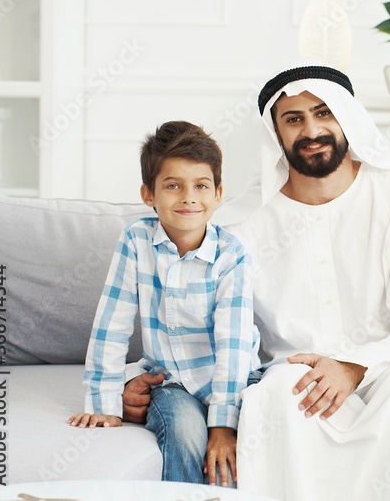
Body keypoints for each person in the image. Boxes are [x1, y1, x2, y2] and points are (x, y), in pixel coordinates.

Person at [218, 63, 390, 500]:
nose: (312, 129)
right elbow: (204, 323)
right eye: (294, 119)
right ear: (275, 134)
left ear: (347, 118)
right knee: (274, 395)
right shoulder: (243, 225)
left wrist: (356, 366)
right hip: (299, 378)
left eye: (324, 113)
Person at [69, 120, 260, 487]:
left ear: (218, 194)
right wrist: (104, 405)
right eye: (173, 186)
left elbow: (233, 345)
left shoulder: (231, 255)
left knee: (254, 438)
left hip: (236, 378)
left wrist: (223, 425)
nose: (188, 197)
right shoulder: (136, 240)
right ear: (149, 194)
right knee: (185, 431)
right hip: (171, 382)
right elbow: (113, 322)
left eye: (201, 186)